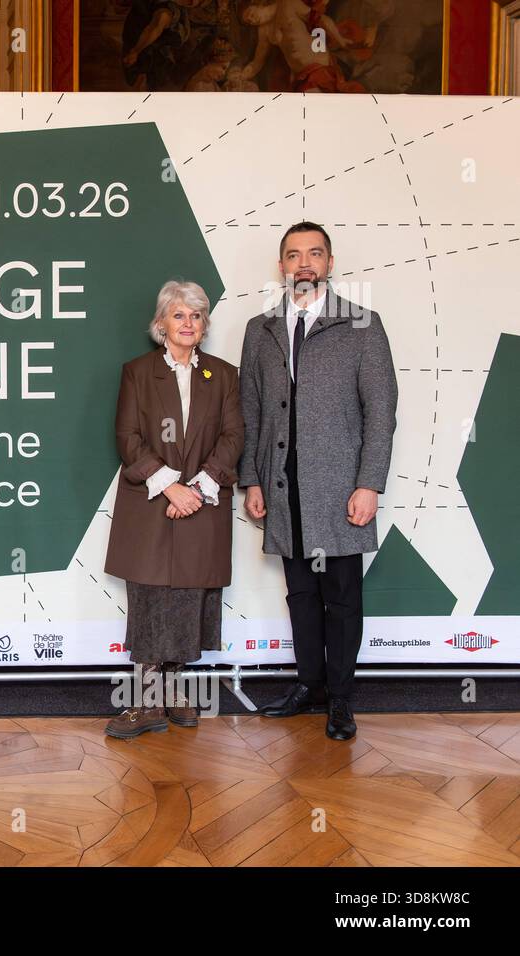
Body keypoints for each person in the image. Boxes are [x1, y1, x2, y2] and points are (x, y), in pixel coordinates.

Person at [238, 222, 397, 740]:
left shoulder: (362, 326)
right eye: (293, 255)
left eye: (314, 254)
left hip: (339, 487)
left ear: (329, 263)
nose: (303, 263)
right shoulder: (259, 330)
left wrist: (369, 483)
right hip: (282, 487)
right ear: (282, 267)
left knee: (342, 597)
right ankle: (309, 685)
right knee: (301, 593)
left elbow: (381, 411)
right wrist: (252, 479)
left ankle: (342, 699)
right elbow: (251, 409)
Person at [103, 280, 244, 739]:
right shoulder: (138, 372)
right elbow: (128, 439)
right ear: (161, 323)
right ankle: (145, 704)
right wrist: (171, 488)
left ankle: (174, 694)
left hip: (203, 504)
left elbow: (233, 438)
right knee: (150, 598)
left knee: (188, 598)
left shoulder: (223, 375)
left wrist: (198, 489)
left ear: (205, 324)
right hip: (151, 506)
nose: (189, 323)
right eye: (179, 315)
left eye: (197, 316)